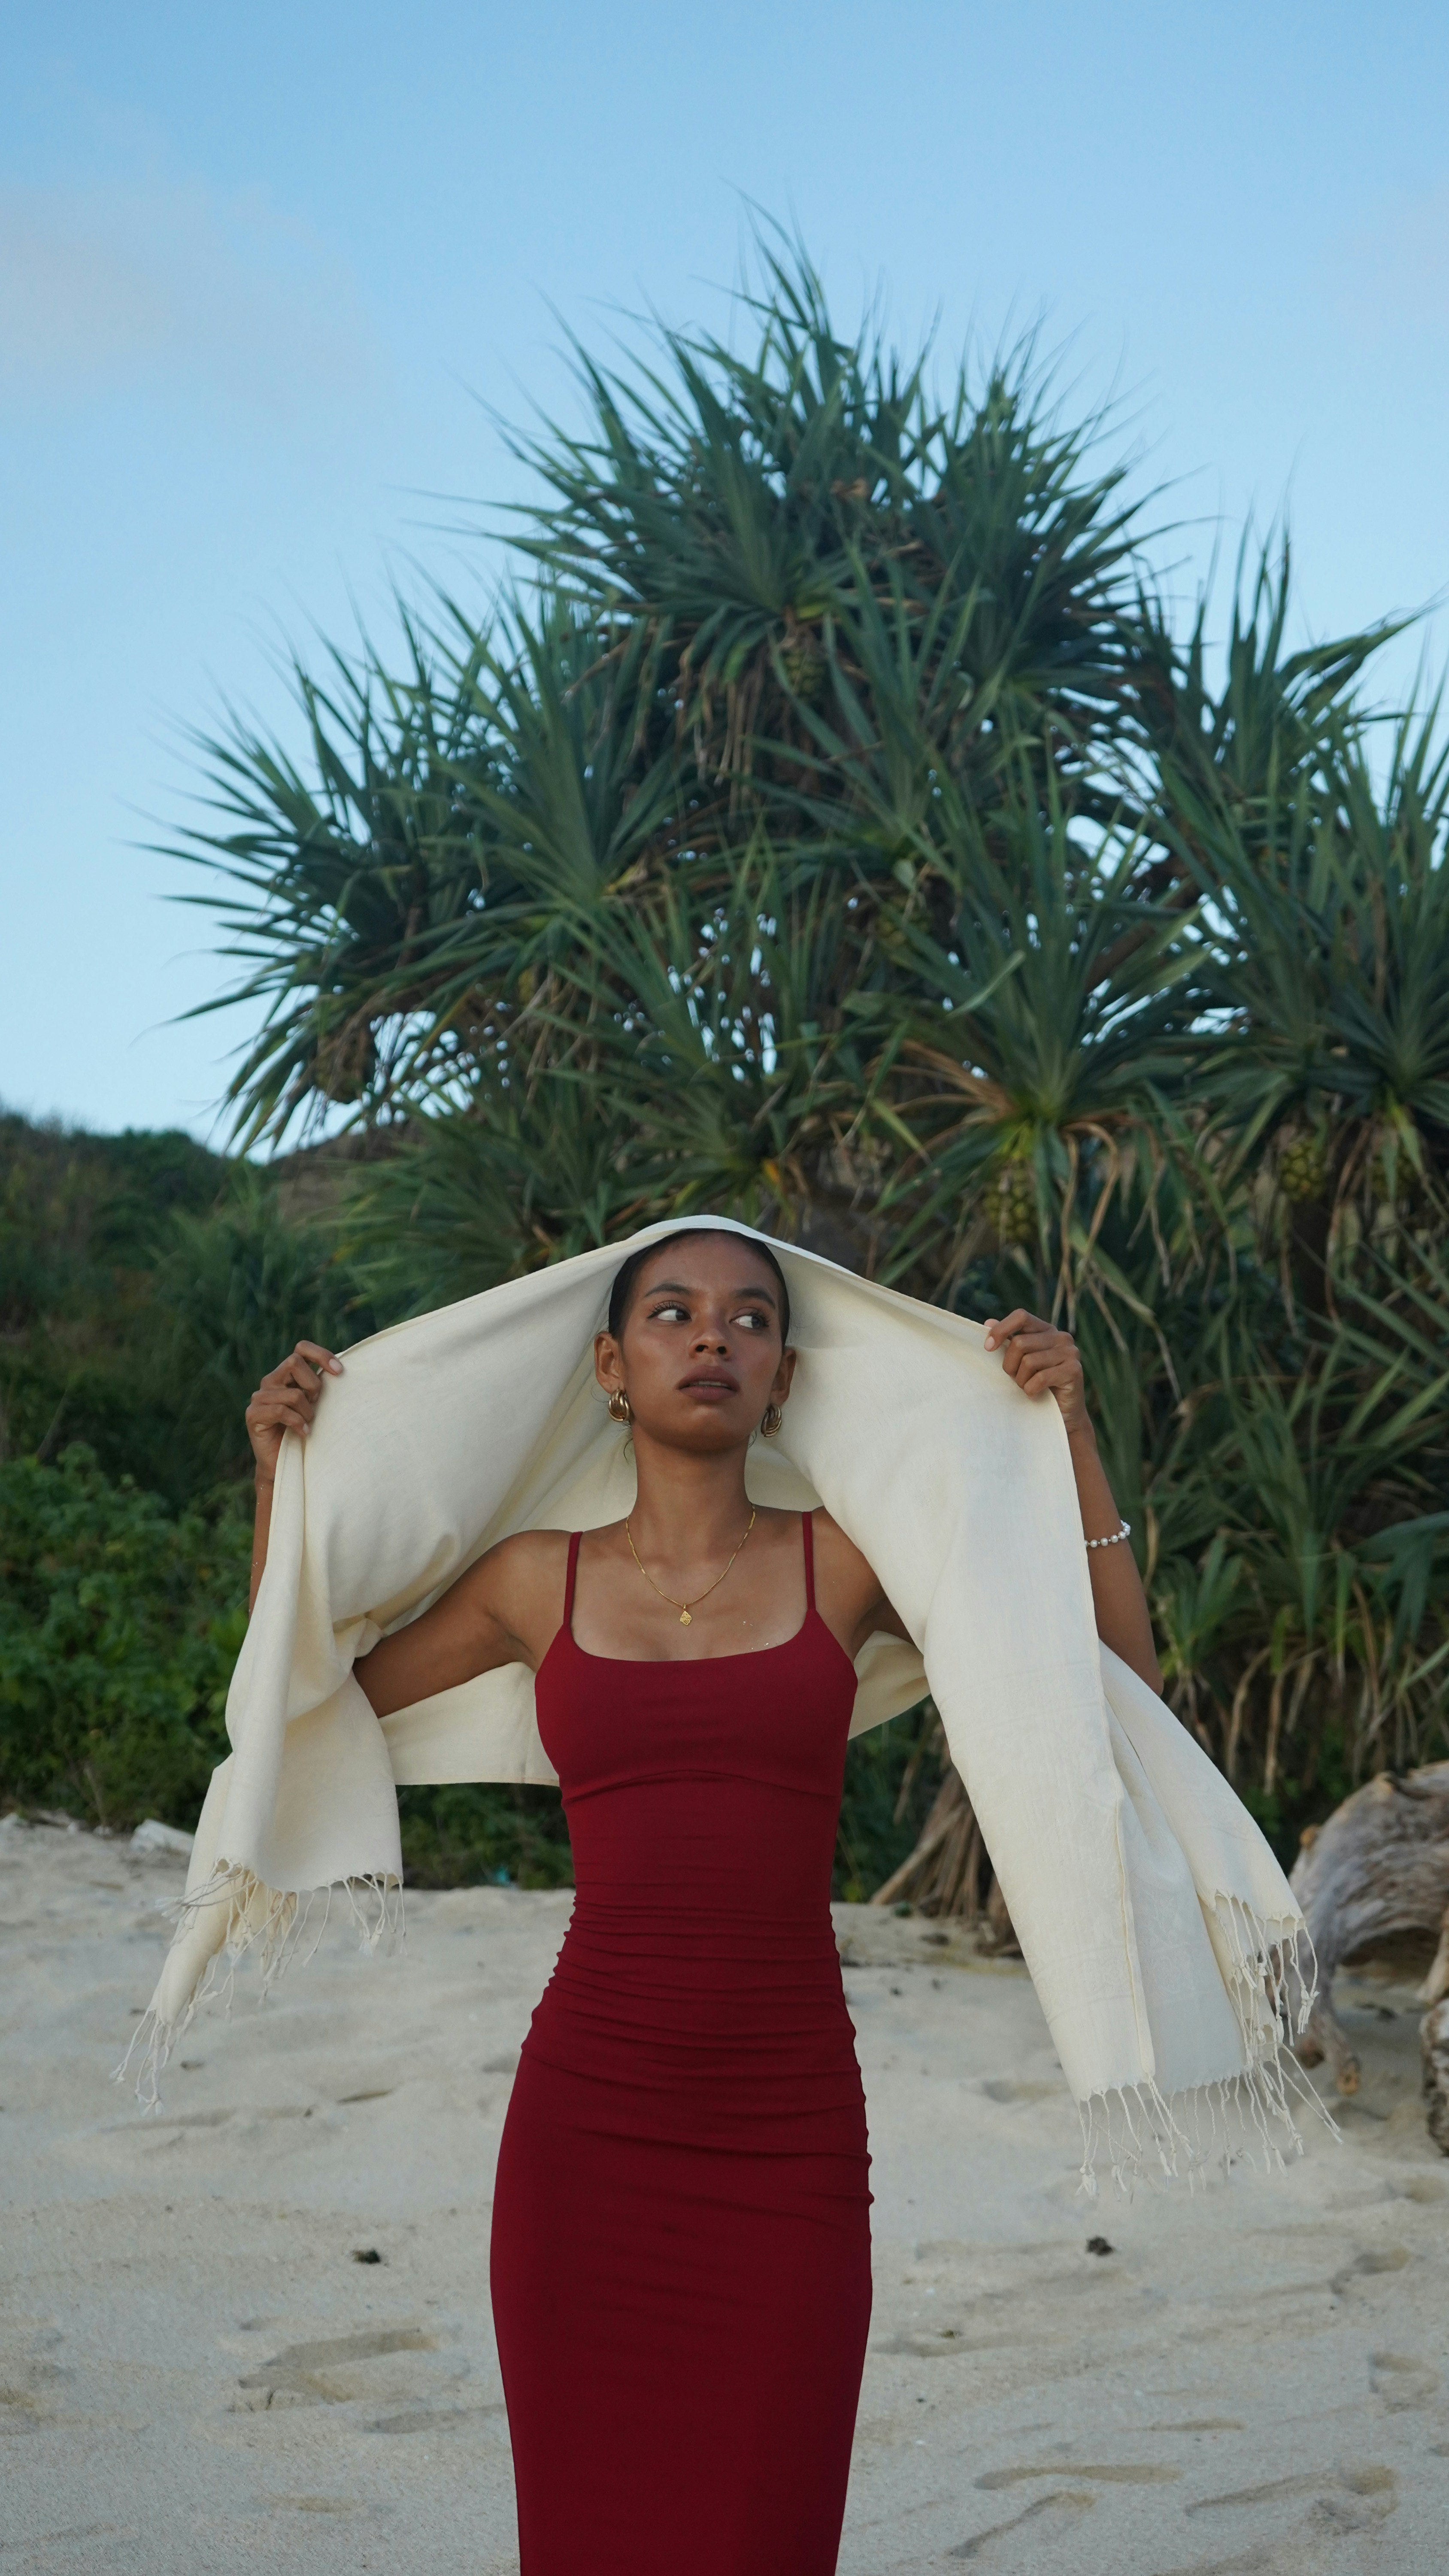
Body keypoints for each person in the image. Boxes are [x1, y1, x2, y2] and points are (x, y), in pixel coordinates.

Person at [243, 1227, 1161, 2576]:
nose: (712, 1337)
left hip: (785, 2137)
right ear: (612, 1368)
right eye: (672, 1314)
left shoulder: (844, 1565)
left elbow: (1112, 1679)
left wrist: (1071, 1437)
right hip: (587, 2132)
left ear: (785, 1377)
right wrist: (282, 1482)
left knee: (769, 2536)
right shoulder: (529, 1584)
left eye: (749, 1319)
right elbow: (303, 1707)